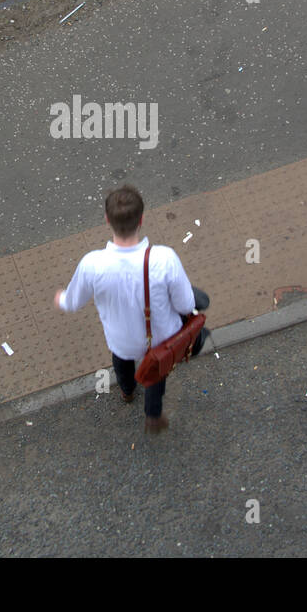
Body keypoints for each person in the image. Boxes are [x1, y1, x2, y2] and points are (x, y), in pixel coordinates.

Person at [55, 184, 208, 434]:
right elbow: (186, 305)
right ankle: (153, 414)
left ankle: (127, 391)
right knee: (157, 370)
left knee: (121, 361)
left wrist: (60, 298)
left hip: (121, 342)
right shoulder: (164, 258)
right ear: (142, 219)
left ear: (107, 220)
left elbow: (72, 302)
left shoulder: (92, 264)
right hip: (160, 340)